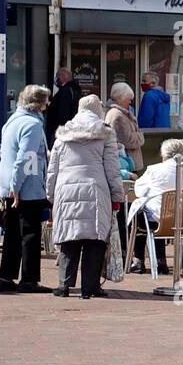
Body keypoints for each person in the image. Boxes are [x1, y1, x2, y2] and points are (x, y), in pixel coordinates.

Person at [46, 95, 124, 298]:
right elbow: (112, 169)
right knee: (94, 239)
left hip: (66, 190)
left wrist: (51, 194)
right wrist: (117, 195)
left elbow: (52, 169)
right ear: (98, 110)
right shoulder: (106, 133)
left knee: (69, 237)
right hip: (95, 190)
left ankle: (64, 285)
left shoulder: (62, 134)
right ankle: (90, 286)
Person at [0, 84, 53, 293]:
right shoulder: (32, 125)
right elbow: (26, 158)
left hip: (9, 183)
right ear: (38, 104)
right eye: (45, 102)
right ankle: (29, 279)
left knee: (11, 234)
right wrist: (16, 187)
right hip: (26, 188)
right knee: (30, 233)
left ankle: (5, 277)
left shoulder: (12, 121)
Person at [131, 139, 183, 274]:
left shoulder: (154, 169)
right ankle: (161, 260)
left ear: (164, 154)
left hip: (157, 218)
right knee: (158, 214)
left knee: (141, 214)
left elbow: (139, 191)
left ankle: (138, 260)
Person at [105, 82, 145, 176]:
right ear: (120, 98)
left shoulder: (120, 114)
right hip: (126, 164)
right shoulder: (117, 115)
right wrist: (140, 136)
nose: (130, 102)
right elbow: (127, 140)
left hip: (128, 162)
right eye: (128, 99)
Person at [44, 67, 83, 146]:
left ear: (62, 77)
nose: (56, 80)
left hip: (60, 132)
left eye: (57, 77)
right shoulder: (75, 90)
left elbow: (63, 113)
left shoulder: (65, 91)